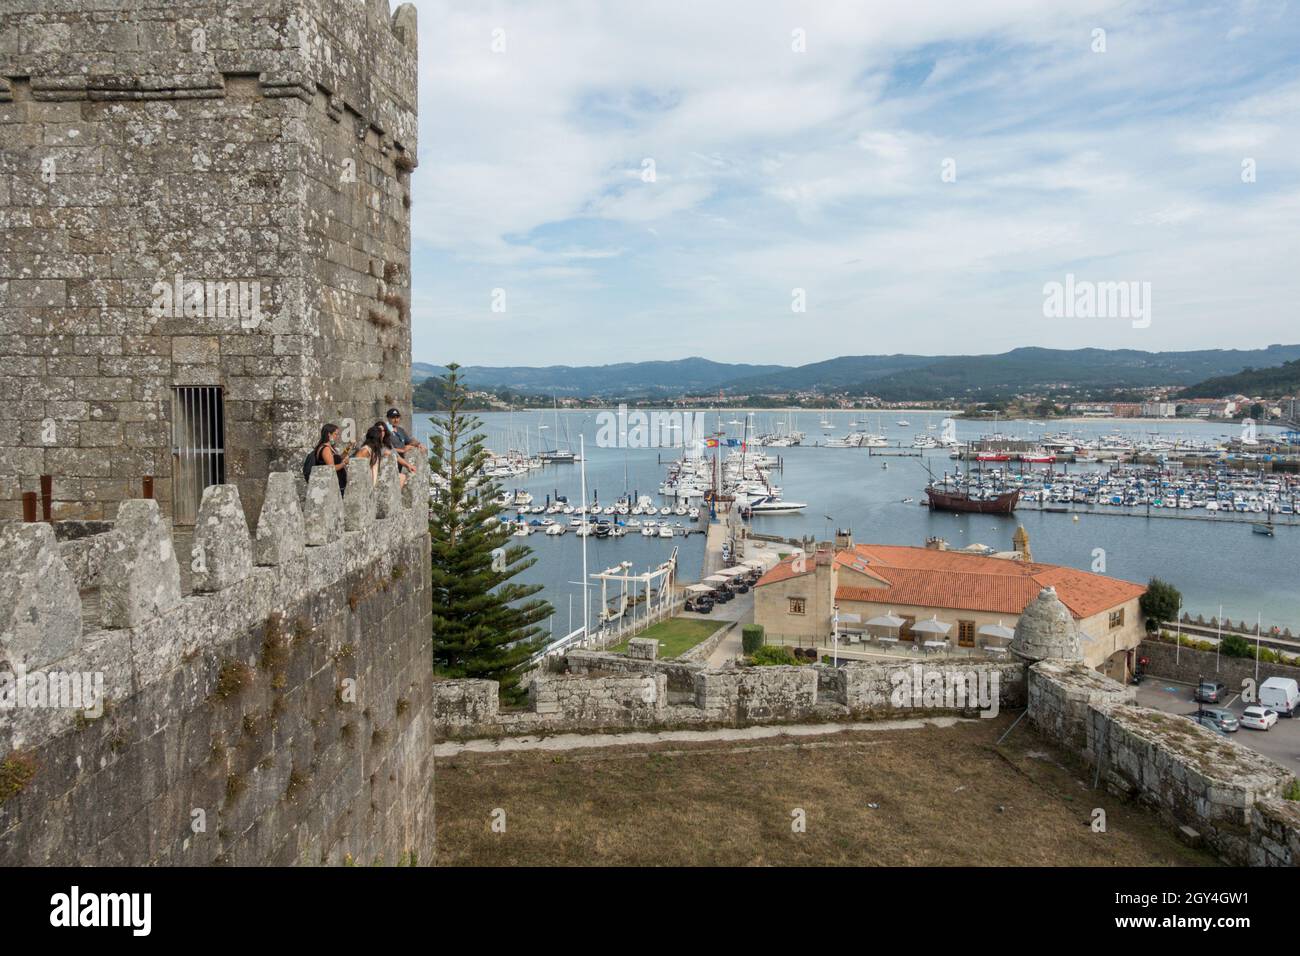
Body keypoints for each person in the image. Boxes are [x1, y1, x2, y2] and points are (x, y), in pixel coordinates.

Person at [310, 423, 349, 495]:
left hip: (338, 484)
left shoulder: (330, 447)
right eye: (335, 434)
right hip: (332, 485)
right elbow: (331, 468)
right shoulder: (326, 449)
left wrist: (349, 447)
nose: (337, 437)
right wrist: (344, 463)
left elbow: (339, 458)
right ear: (329, 434)